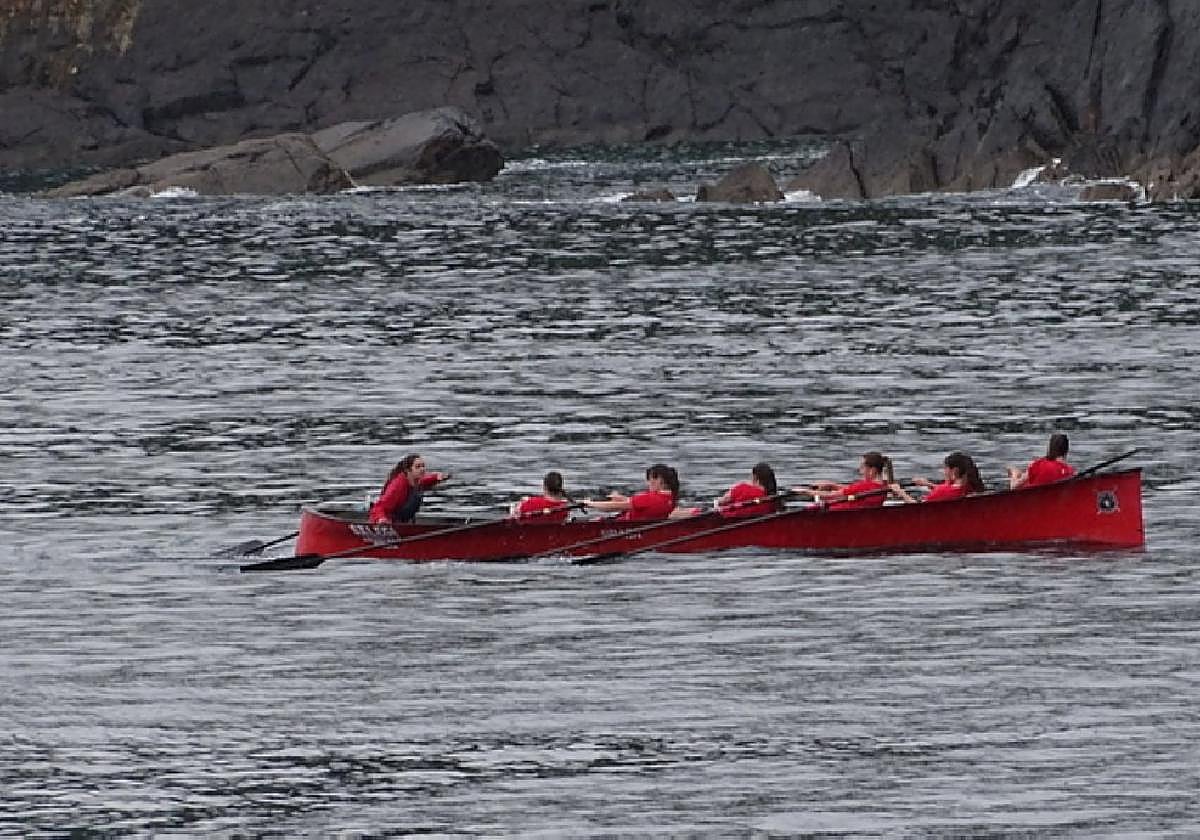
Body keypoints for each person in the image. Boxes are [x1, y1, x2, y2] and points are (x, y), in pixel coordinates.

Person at [794, 451, 893, 510]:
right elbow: (852, 489)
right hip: (858, 512)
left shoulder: (864, 486)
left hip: (839, 512)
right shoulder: (883, 485)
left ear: (872, 470)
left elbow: (832, 495)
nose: (860, 471)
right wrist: (833, 485)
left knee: (816, 505)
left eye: (862, 468)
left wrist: (805, 491)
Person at [368, 453, 450, 524]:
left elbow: (426, 481)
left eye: (423, 466)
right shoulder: (397, 485)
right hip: (387, 522)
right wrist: (381, 519)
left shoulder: (417, 481)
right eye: (418, 467)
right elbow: (378, 507)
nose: (422, 469)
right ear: (408, 470)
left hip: (401, 520)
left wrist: (437, 477)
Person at [583, 463, 679, 521]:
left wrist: (590, 504)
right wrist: (624, 499)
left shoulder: (649, 498)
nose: (648, 483)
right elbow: (644, 506)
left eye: (649, 479)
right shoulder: (671, 499)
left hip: (619, 527)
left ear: (659, 480)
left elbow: (611, 508)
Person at [889, 451, 986, 503]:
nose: (944, 472)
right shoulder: (971, 486)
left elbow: (918, 507)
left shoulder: (943, 490)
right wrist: (928, 484)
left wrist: (901, 492)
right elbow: (949, 491)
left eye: (945, 468)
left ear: (954, 471)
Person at [715, 462, 784, 517]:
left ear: (755, 477)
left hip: (732, 520)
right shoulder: (775, 498)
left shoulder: (743, 488)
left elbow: (720, 501)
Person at [1007, 433, 1075, 489]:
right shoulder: (1070, 471)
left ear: (1050, 448)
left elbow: (1014, 487)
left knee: (1013, 470)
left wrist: (1013, 476)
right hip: (1049, 496)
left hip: (1029, 495)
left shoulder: (1039, 464)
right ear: (1066, 450)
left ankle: (1015, 474)